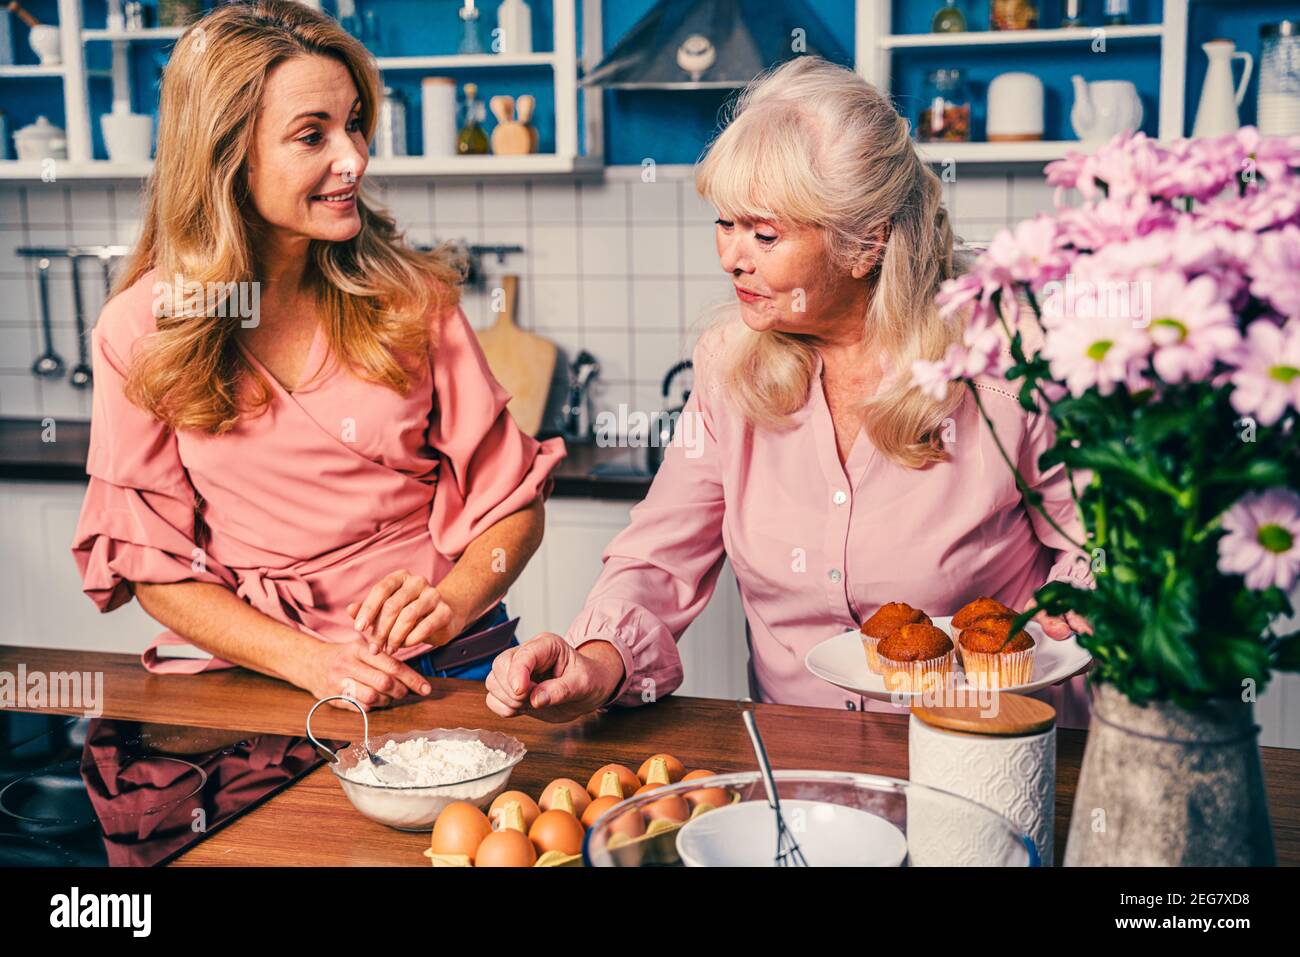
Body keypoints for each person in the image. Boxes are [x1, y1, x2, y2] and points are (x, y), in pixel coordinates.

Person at [485, 57, 1094, 727]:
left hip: (984, 745)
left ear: (865, 244)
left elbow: (1100, 541)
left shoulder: (1005, 359)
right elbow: (659, 555)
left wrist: (1081, 596)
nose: (731, 257)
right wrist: (595, 659)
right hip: (801, 771)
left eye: (764, 234)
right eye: (725, 224)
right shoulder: (729, 366)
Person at [71, 0, 564, 711]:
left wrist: (451, 603)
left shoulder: (411, 297)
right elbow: (154, 565)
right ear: (227, 155)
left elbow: (514, 505)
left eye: (355, 122)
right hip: (268, 682)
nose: (354, 158)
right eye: (313, 135)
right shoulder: (143, 328)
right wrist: (312, 663)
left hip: (448, 673)